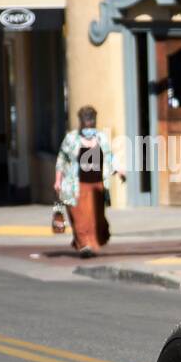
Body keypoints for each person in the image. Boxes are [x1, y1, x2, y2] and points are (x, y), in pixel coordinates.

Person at [55, 106, 125, 257]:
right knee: (80, 218)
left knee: (96, 219)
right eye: (86, 123)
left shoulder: (101, 138)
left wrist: (119, 171)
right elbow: (61, 159)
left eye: (91, 123)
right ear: (80, 122)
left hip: (97, 185)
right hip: (76, 186)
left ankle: (92, 244)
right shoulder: (71, 139)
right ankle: (84, 246)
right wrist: (58, 181)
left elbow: (109, 157)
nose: (89, 127)